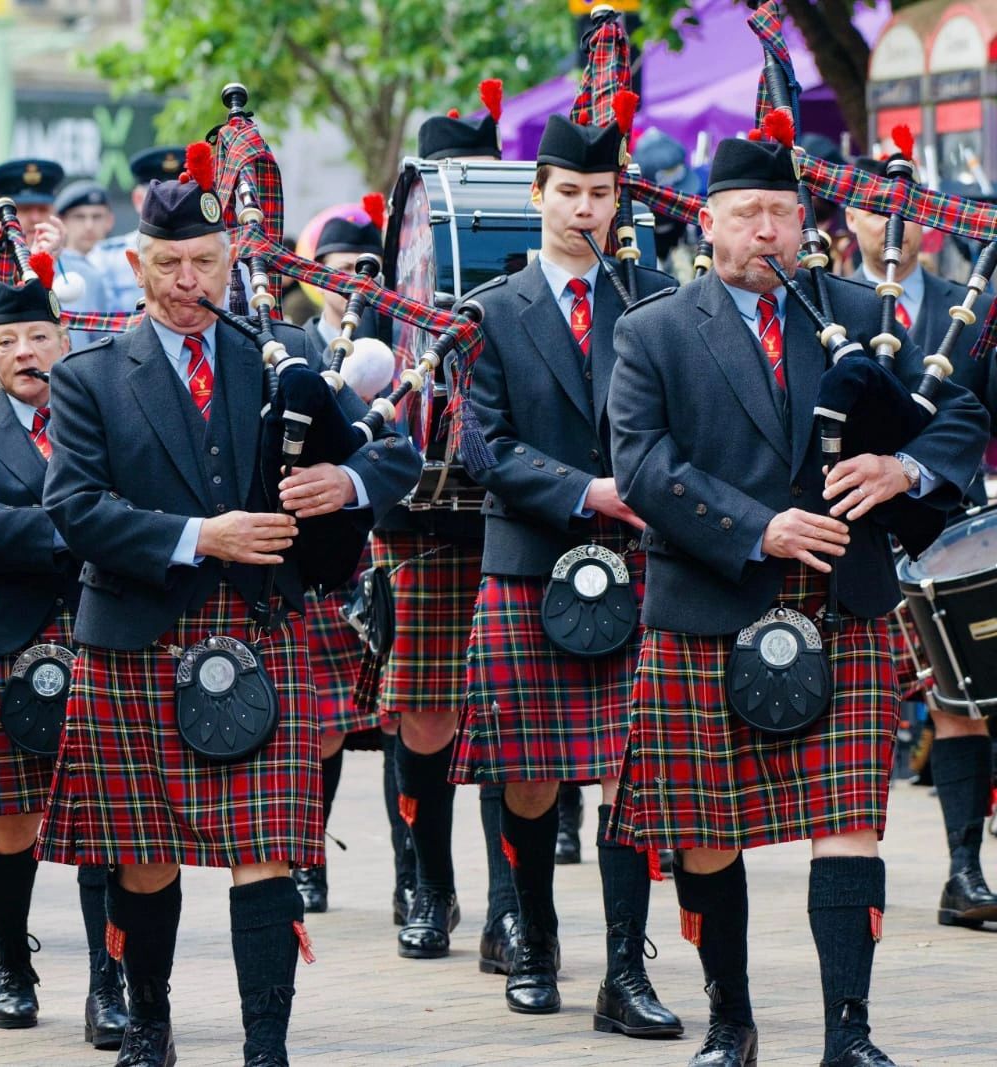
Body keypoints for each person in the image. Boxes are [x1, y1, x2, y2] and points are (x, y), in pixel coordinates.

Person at [608, 132, 988, 1067]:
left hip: (841, 604)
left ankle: (848, 1033)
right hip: (708, 599)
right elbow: (643, 467)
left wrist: (904, 465)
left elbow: (967, 418)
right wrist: (758, 528)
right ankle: (730, 1020)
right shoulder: (653, 328)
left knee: (849, 819)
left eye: (782, 212)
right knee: (703, 833)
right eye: (747, 214)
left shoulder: (867, 312)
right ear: (709, 222)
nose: (767, 230)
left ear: (807, 221)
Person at [35, 150, 421, 1066]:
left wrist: (348, 477)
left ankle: (265, 1046)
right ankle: (151, 1023)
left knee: (268, 850)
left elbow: (394, 454)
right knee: (142, 854)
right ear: (136, 265)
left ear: (232, 260)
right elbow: (72, 507)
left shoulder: (278, 358)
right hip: (136, 636)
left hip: (263, 634)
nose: (186, 281)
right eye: (168, 263)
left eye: (205, 261)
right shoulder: (90, 375)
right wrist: (198, 536)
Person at [452, 112, 680, 1036]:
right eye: (568, 192)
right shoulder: (491, 312)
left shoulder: (657, 298)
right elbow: (482, 448)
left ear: (619, 198)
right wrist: (587, 489)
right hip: (532, 560)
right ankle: (534, 937)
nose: (584, 208)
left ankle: (625, 970)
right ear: (537, 195)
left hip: (643, 564)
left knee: (634, 770)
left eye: (600, 193)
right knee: (532, 773)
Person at [0, 262, 128, 1046]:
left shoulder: (106, 416)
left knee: (109, 822)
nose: (27, 350)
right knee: (12, 822)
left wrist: (96, 525)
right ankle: (11, 960)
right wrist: (90, 527)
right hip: (2, 638)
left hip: (101, 632)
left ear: (65, 341)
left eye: (40, 334)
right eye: (8, 340)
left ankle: (112, 984)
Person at [361, 86, 523, 969]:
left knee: (506, 717)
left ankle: (509, 905)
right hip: (420, 518)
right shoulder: (383, 286)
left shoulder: (529, 278)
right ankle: (428, 881)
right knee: (422, 714)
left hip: (511, 510)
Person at [843, 149, 997, 932]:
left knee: (966, 699)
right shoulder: (829, 306)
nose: (894, 223)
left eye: (909, 210)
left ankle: (964, 873)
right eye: (877, 207)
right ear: (851, 217)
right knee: (893, 709)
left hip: (958, 535)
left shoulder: (973, 303)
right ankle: (845, 859)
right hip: (862, 537)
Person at [291, 206, 399, 915]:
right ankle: (308, 858)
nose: (355, 281)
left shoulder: (402, 343)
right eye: (341, 268)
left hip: (386, 546)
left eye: (369, 268)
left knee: (404, 718)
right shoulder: (288, 343)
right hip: (315, 554)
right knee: (322, 722)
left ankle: (415, 876)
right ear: (313, 276)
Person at [0, 158, 110, 325]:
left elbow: (104, 345)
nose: (35, 218)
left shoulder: (87, 275)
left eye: (43, 209)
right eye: (23, 209)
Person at [93, 146, 183, 313]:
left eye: (181, 194)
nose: (171, 204)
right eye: (159, 196)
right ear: (137, 199)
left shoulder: (219, 252)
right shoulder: (106, 258)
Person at [55, 180, 115, 257]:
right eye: (79, 217)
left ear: (110, 221)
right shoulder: (53, 265)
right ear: (62, 222)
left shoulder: (124, 265)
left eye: (97, 217)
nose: (89, 226)